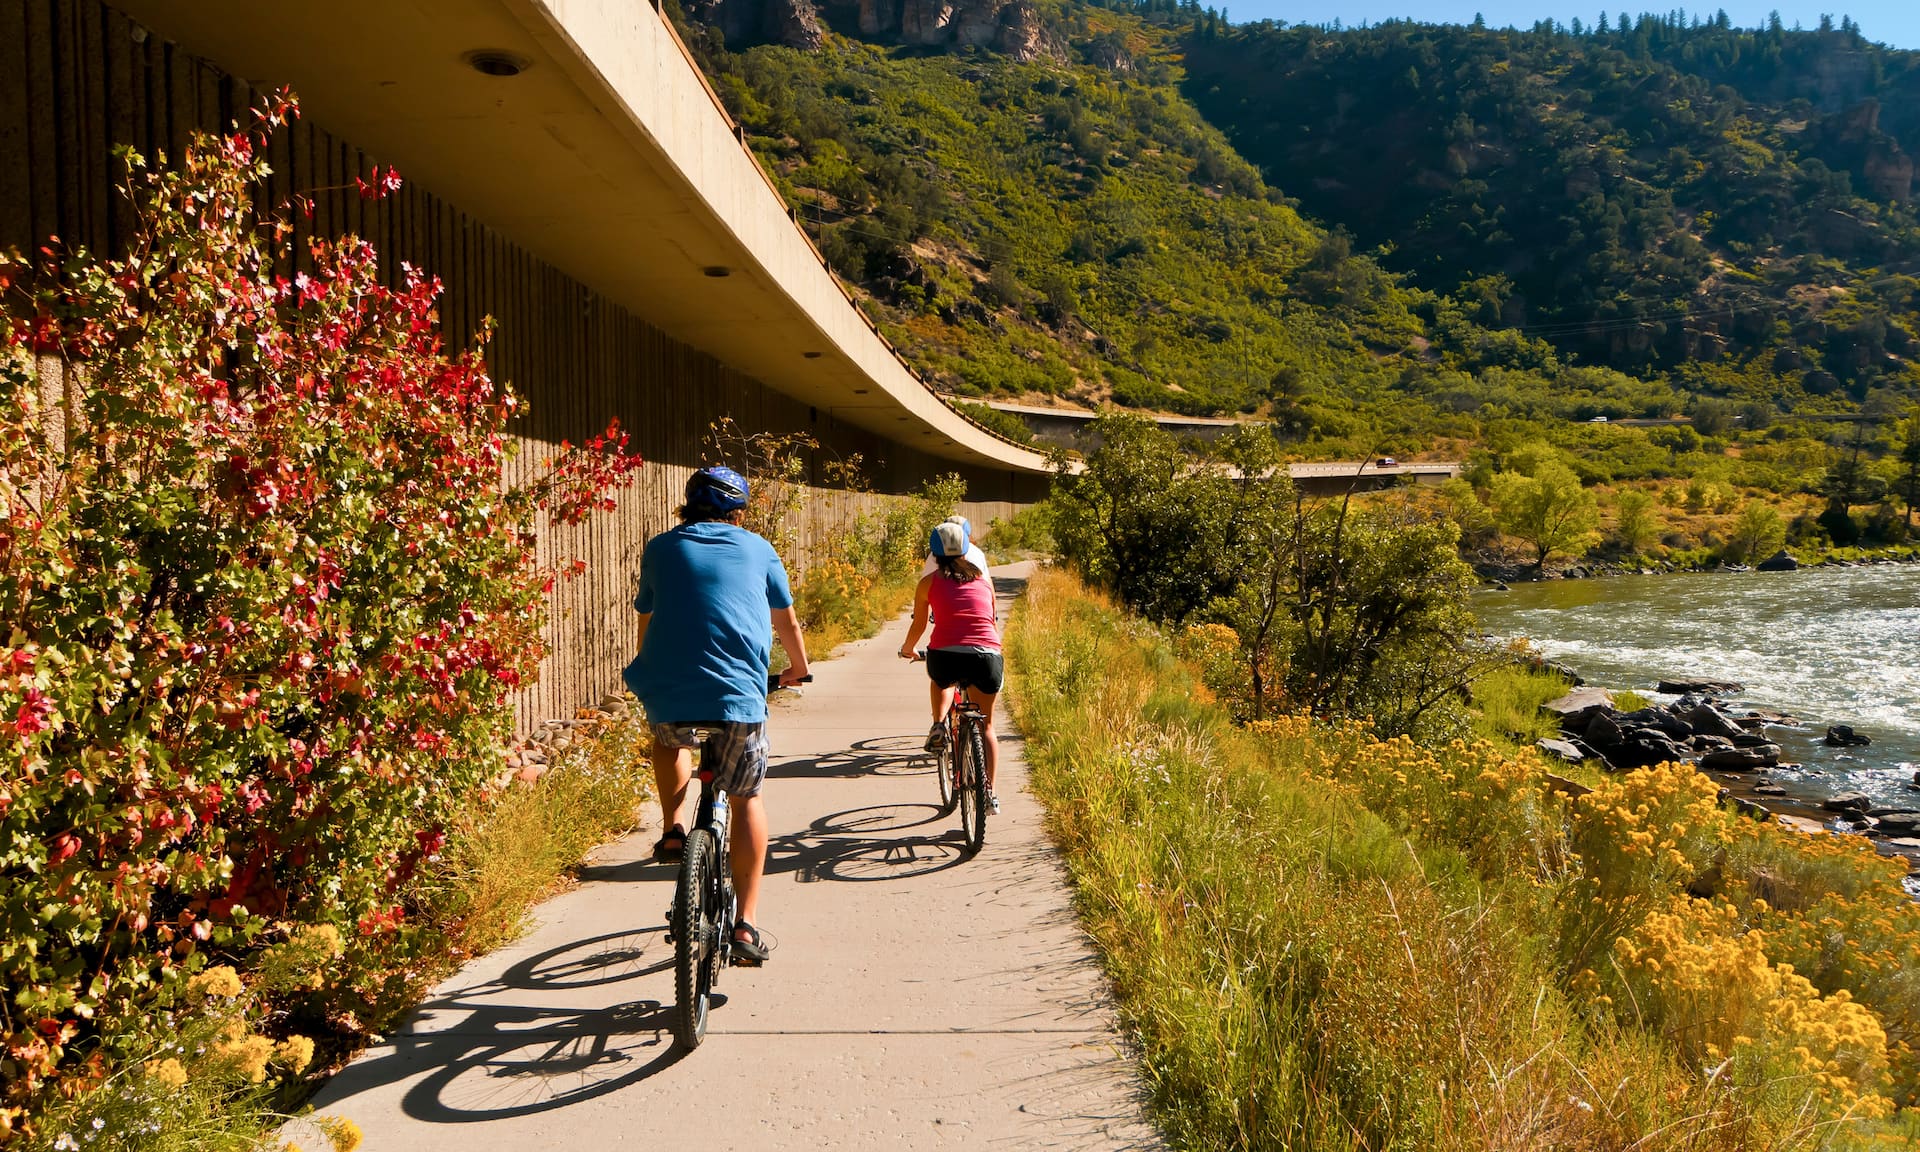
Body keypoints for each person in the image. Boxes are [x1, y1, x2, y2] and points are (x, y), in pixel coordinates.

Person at [624, 466, 811, 966]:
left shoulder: (661, 547)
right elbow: (785, 619)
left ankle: (673, 829)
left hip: (668, 688)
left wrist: (655, 667)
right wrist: (799, 668)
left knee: (670, 741)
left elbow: (648, 614)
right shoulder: (758, 549)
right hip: (738, 695)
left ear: (689, 505)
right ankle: (746, 926)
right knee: (747, 798)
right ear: (738, 510)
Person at [898, 520, 1002, 815]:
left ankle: (938, 724)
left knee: (940, 678)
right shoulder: (983, 579)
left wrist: (908, 649)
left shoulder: (928, 583)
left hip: (946, 655)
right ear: (967, 547)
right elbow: (991, 618)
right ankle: (989, 795)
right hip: (987, 656)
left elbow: (919, 625)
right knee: (988, 726)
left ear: (933, 551)